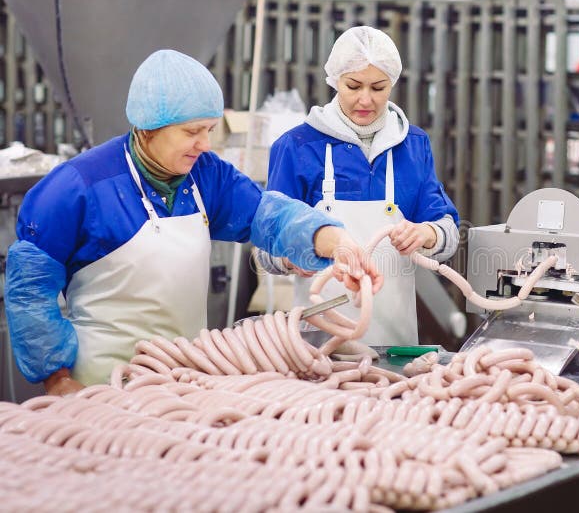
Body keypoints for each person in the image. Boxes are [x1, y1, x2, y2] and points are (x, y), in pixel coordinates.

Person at [4, 49, 380, 396]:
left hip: (186, 380)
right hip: (101, 386)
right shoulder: (78, 187)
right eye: (191, 132)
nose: (204, 144)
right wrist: (57, 379)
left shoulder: (206, 176)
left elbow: (270, 215)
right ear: (149, 127)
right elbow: (30, 293)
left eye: (209, 130)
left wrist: (335, 241)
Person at [257, 26, 459, 346]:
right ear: (335, 80)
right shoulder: (296, 147)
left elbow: (449, 234)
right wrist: (289, 257)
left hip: (396, 343)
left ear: (392, 83)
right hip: (318, 342)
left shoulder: (414, 145)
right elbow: (265, 246)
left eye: (378, 87)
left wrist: (425, 234)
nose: (365, 99)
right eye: (353, 86)